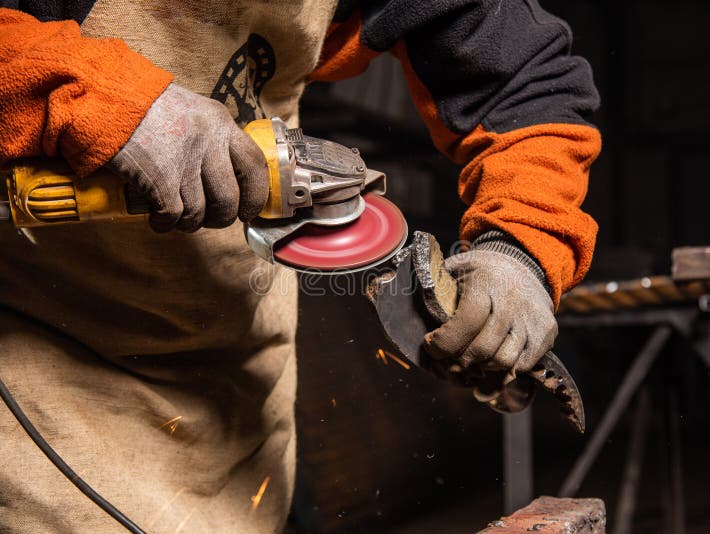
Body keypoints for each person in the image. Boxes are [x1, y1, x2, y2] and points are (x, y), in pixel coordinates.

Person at [0, 1, 600, 531]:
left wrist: (520, 244)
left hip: (235, 367)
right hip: (40, 365)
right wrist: (94, 96)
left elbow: (523, 75)